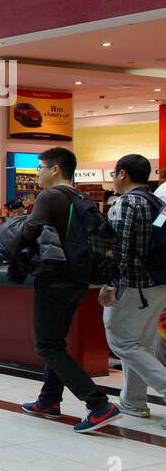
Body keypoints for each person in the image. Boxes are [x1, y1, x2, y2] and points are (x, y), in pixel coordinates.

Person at [18, 146, 119, 432]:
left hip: (54, 278)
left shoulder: (50, 196)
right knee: (56, 342)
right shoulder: (81, 196)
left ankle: (98, 404)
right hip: (78, 279)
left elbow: (29, 232)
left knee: (47, 345)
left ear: (55, 169)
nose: (38, 173)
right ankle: (49, 400)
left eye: (40, 167)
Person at [99, 153, 166, 422]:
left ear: (123, 174)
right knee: (142, 343)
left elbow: (119, 249)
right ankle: (133, 401)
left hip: (134, 285)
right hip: (159, 283)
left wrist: (109, 282)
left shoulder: (126, 203)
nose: (113, 180)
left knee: (122, 342)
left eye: (114, 175)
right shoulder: (156, 201)